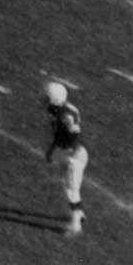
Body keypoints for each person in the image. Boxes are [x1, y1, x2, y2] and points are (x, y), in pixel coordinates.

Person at [42, 81, 87, 236]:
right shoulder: (55, 109)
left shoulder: (67, 114)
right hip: (64, 151)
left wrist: (73, 156)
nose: (44, 99)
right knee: (67, 186)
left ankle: (76, 225)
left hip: (74, 153)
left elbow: (75, 135)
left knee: (71, 189)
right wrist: (51, 149)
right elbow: (58, 133)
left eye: (47, 96)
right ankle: (78, 213)